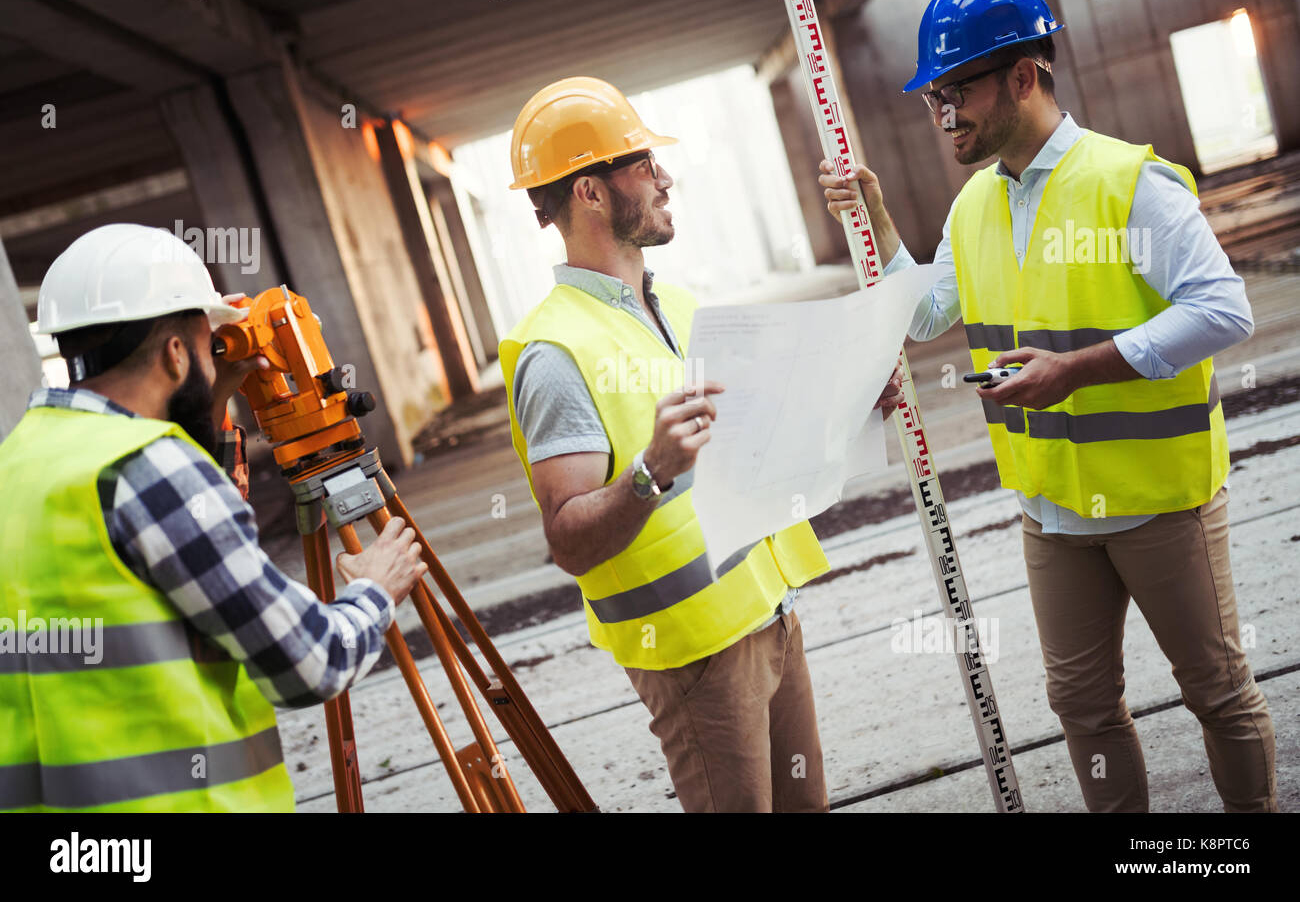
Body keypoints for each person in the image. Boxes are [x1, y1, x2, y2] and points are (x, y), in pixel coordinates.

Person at [820, 0, 1276, 812]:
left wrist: (1075, 371)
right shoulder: (972, 210)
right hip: (1052, 514)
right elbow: (924, 314)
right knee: (1082, 708)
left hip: (1158, 505)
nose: (942, 114)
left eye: (954, 91)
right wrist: (880, 223)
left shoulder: (1129, 183)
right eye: (932, 99)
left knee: (1215, 692)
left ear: (1023, 77)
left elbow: (1223, 310)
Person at [501, 76, 903, 812]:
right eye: (645, 164)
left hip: (769, 613)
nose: (665, 177)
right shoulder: (555, 352)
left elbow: (748, 446)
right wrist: (650, 473)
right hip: (693, 652)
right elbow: (569, 540)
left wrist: (851, 404)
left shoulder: (679, 306)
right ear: (589, 191)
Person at [0, 223, 427, 811]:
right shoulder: (149, 470)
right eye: (206, 346)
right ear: (177, 353)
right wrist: (376, 591)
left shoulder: (20, 462)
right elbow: (308, 664)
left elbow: (184, 541)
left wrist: (215, 396)